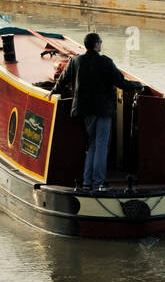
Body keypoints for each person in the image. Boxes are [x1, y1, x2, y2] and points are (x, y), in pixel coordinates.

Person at [53, 32, 134, 193]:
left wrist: (54, 91)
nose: (101, 44)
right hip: (103, 110)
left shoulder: (76, 61)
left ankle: (87, 181)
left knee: (92, 145)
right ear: (96, 44)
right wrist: (137, 85)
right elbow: (120, 82)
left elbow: (63, 79)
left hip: (85, 111)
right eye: (100, 42)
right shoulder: (106, 62)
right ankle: (99, 182)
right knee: (101, 144)